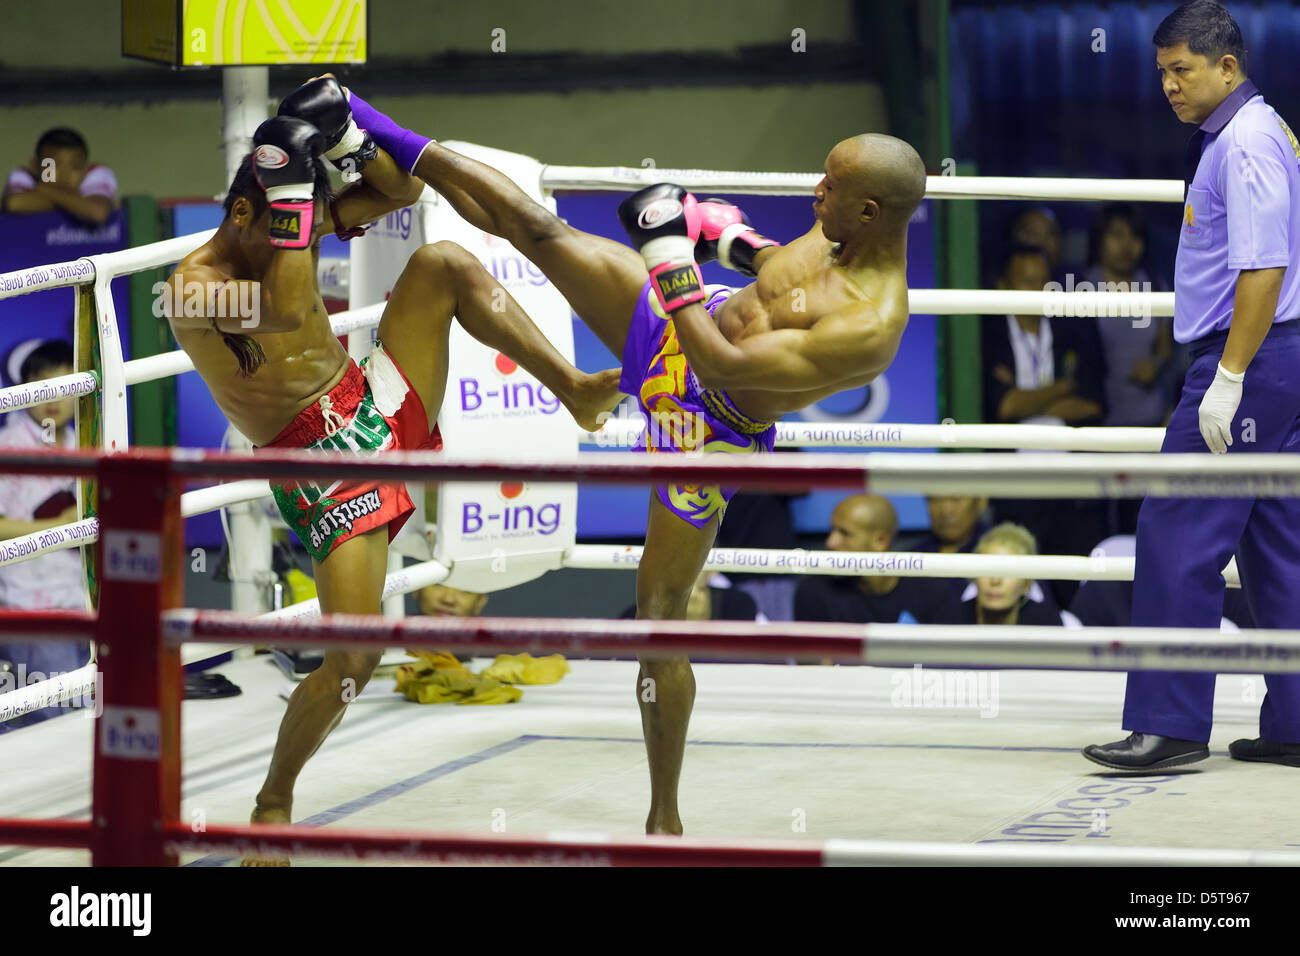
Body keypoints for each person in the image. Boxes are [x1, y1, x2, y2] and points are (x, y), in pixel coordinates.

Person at [399, 102, 925, 831]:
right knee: (537, 228)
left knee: (660, 622)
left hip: (709, 429)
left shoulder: (874, 323)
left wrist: (671, 255)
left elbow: (726, 361)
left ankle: (664, 819)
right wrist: (719, 234)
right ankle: (366, 125)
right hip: (681, 331)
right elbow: (769, 270)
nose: (814, 193)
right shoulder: (836, 229)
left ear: (867, 208)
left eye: (828, 187)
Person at [165, 79, 620, 859]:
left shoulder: (285, 222)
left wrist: (349, 139)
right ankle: (274, 802)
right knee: (356, 655)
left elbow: (400, 190)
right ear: (241, 213)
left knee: (442, 260)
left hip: (364, 396)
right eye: (278, 219)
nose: (294, 234)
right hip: (315, 461)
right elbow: (281, 307)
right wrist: (293, 204)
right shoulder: (192, 292)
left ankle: (575, 391)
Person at [1084, 1, 1300, 771]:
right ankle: (1296, 724)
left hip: (1254, 356)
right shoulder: (1253, 133)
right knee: (1278, 545)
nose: (1170, 86)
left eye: (1182, 70)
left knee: (1177, 530)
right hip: (1278, 359)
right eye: (1162, 72)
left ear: (1227, 67)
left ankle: (1169, 724)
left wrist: (1231, 376)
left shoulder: (1244, 142)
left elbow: (1264, 267)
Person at [982, 243, 1108, 604]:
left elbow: (1093, 404)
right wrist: (1062, 388)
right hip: (1015, 483)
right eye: (1025, 281)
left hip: (1070, 482)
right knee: (1017, 584)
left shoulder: (1072, 326)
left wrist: (1029, 397)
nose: (1036, 291)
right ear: (1003, 286)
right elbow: (1003, 405)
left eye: (1042, 282)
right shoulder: (987, 330)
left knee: (1075, 583)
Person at [0, 340, 88, 733]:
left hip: (82, 600)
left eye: (64, 383)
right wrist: (62, 528)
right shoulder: (8, 447)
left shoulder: (86, 444)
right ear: (24, 388)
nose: (54, 396)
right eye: (43, 384)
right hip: (29, 605)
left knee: (83, 711)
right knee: (50, 723)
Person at [794, 494, 937, 624]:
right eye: (832, 529)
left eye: (845, 533)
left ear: (880, 541)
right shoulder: (813, 592)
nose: (830, 542)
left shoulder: (931, 591)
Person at [931, 523, 1077, 627]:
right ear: (974, 577)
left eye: (1007, 571)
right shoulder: (948, 622)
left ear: (1027, 584)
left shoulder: (1048, 625)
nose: (995, 581)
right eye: (987, 569)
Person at [3, 127, 116, 226]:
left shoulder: (97, 172)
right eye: (53, 165)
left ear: (85, 169)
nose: (65, 175)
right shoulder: (23, 174)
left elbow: (98, 213)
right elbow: (14, 204)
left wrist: (43, 189)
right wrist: (75, 203)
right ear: (35, 166)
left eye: (75, 167)